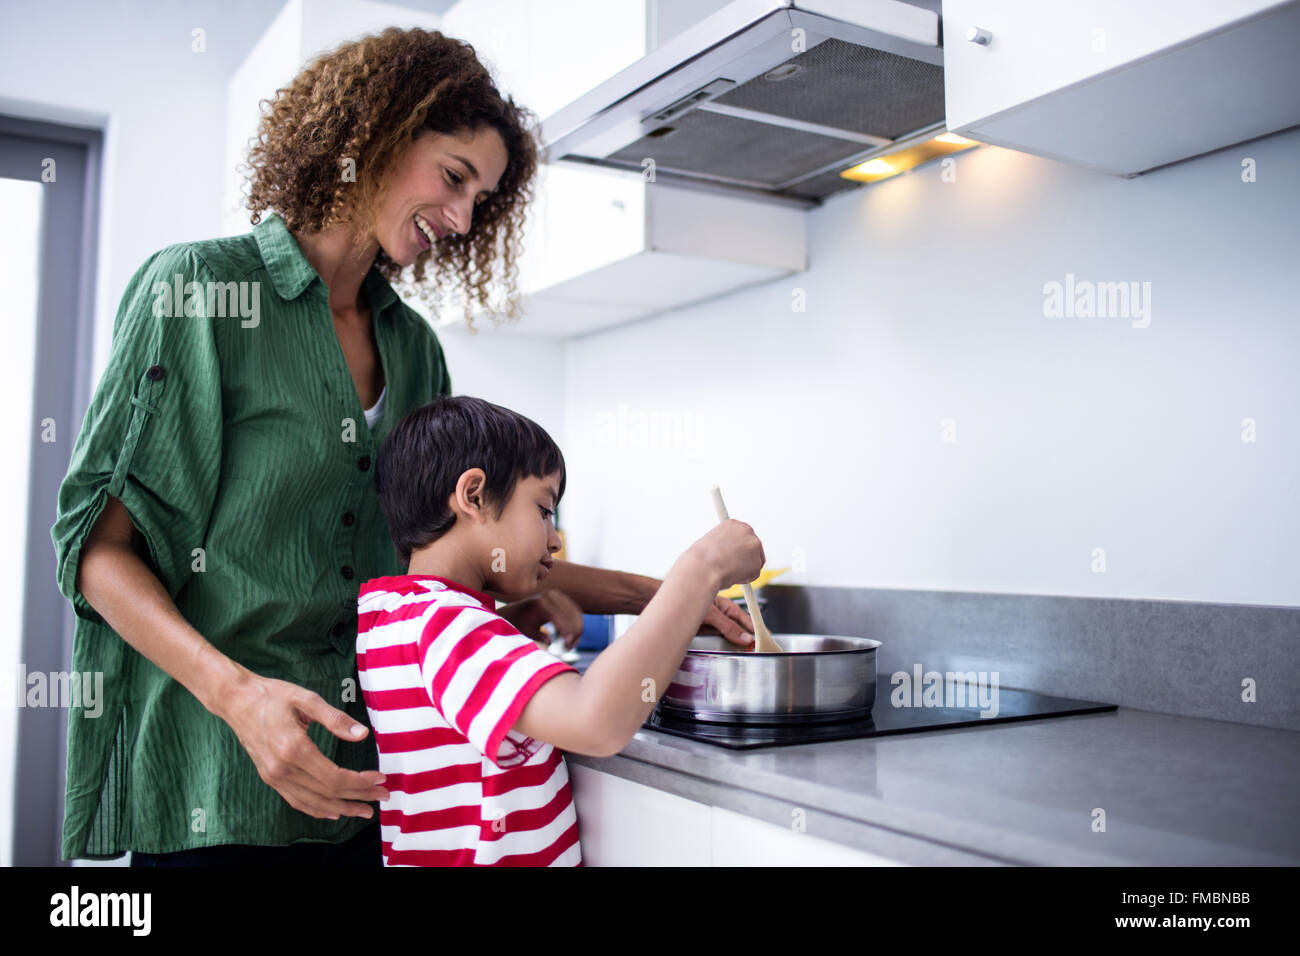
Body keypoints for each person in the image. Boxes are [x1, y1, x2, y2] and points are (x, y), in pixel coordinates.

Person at [49, 27, 753, 867]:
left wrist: (666, 594)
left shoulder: (414, 347)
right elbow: (97, 552)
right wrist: (239, 698)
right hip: (221, 776)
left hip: (377, 789)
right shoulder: (199, 291)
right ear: (372, 136)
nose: (461, 218)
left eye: (480, 201)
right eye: (454, 177)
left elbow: (445, 554)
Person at [359, 395, 764, 865]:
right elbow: (596, 723)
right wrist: (701, 569)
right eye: (544, 510)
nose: (553, 538)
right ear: (473, 495)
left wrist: (506, 624)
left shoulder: (391, 613)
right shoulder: (448, 625)